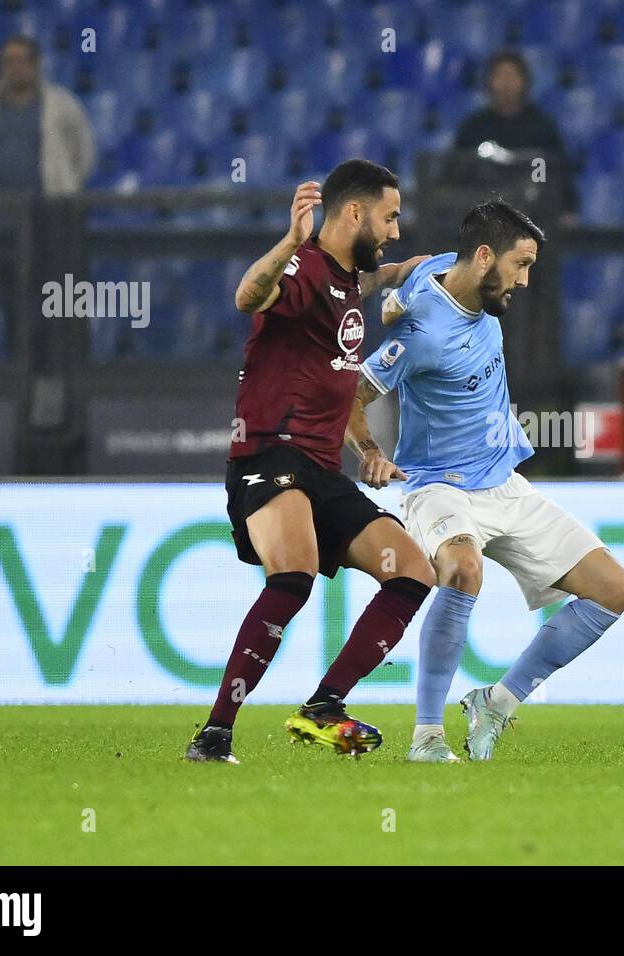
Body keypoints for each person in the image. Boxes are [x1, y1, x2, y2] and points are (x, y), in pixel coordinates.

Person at [352, 199, 624, 762]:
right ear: (485, 256)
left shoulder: (441, 266)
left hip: (505, 483)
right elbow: (350, 399)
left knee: (615, 590)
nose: (524, 281)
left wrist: (387, 291)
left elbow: (413, 268)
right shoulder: (421, 336)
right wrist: (371, 453)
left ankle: (496, 703)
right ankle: (426, 737)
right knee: (462, 569)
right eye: (520, 264)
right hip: (440, 486)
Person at [185, 161, 435, 764]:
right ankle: (214, 735)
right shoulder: (301, 266)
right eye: (390, 218)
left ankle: (325, 704)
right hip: (270, 455)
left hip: (323, 471)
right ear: (355, 213)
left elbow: (377, 278)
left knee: (412, 571)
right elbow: (248, 296)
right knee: (293, 575)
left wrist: (428, 269)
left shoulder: (346, 279)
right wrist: (290, 241)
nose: (395, 230)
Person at [454, 50, 577, 214]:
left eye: (512, 76)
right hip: (484, 215)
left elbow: (557, 174)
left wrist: (567, 210)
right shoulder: (473, 128)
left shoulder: (542, 127)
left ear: (524, 81)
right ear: (489, 82)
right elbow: (455, 175)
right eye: (500, 76)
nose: (506, 83)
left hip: (535, 215)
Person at [0, 35, 95, 196]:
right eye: (9, 61)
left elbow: (84, 152)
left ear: (36, 64)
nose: (16, 68)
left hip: (49, 202)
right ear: (0, 66)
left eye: (23, 61)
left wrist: (66, 183)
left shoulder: (63, 105)